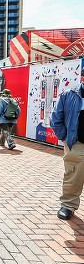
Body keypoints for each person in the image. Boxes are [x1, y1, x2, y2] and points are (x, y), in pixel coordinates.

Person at [50, 68, 84, 220]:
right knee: (73, 175)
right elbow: (56, 118)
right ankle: (68, 205)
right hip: (76, 144)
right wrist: (64, 138)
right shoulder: (69, 95)